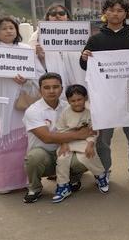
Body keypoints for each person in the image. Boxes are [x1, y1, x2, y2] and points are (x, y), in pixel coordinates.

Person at [79, 0, 129, 182]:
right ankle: (105, 170)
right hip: (106, 98)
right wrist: (85, 57)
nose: (115, 14)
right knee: (103, 140)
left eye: (120, 10)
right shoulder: (95, 40)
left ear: (126, 14)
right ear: (105, 13)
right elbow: (85, 66)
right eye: (111, 10)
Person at [0, 15, 41, 194]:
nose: (8, 31)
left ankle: (23, 180)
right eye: (4, 28)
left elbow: (37, 74)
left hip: (20, 105)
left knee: (22, 144)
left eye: (11, 28)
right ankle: (2, 184)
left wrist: (26, 81)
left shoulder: (25, 50)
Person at [22, 73, 91, 203]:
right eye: (47, 88)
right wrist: (78, 134)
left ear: (62, 88)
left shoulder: (70, 106)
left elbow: (86, 129)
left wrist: (81, 135)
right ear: (40, 90)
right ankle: (34, 188)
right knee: (34, 157)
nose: (52, 91)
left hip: (68, 150)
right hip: (44, 155)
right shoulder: (33, 110)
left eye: (55, 87)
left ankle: (73, 178)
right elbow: (47, 138)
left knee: (88, 154)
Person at [51, 85, 109, 203]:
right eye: (73, 101)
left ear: (85, 98)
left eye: (79, 99)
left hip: (85, 140)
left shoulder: (90, 112)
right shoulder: (65, 113)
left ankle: (100, 176)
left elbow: (94, 131)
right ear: (68, 101)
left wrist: (90, 144)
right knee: (62, 158)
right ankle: (63, 186)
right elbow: (60, 129)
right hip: (68, 140)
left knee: (87, 156)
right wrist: (63, 143)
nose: (77, 103)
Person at [31, 3, 86, 92]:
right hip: (52, 78)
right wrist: (39, 56)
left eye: (61, 13)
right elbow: (31, 61)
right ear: (48, 17)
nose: (57, 16)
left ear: (67, 16)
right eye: (53, 14)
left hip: (76, 76)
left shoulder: (79, 32)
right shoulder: (37, 35)